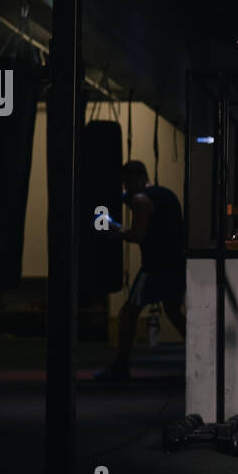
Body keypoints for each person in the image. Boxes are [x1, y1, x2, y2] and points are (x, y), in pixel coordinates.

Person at [95, 160, 187, 381]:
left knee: (128, 313)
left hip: (155, 267)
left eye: (126, 182)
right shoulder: (165, 194)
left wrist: (114, 230)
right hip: (177, 264)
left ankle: (120, 366)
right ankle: (203, 357)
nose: (125, 187)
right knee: (174, 312)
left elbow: (138, 235)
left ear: (134, 179)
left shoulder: (140, 199)